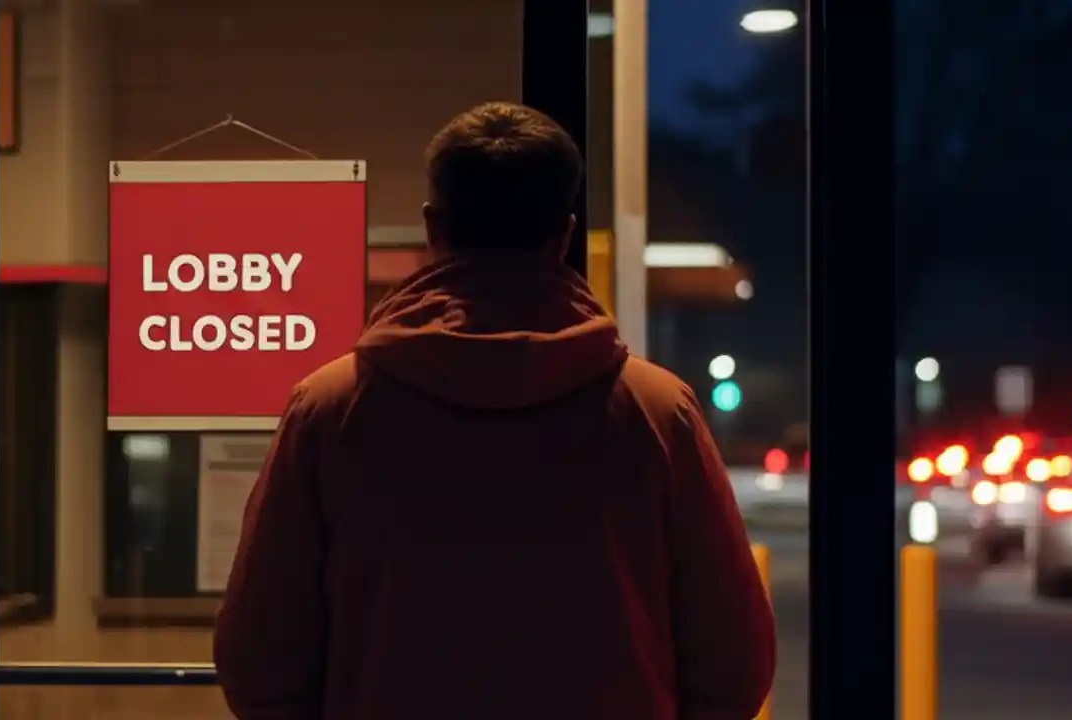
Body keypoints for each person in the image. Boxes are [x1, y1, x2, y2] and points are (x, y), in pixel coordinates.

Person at [215, 101, 776, 720]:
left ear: (434, 228)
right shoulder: (655, 413)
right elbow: (734, 666)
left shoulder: (331, 409)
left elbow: (258, 662)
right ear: (564, 234)